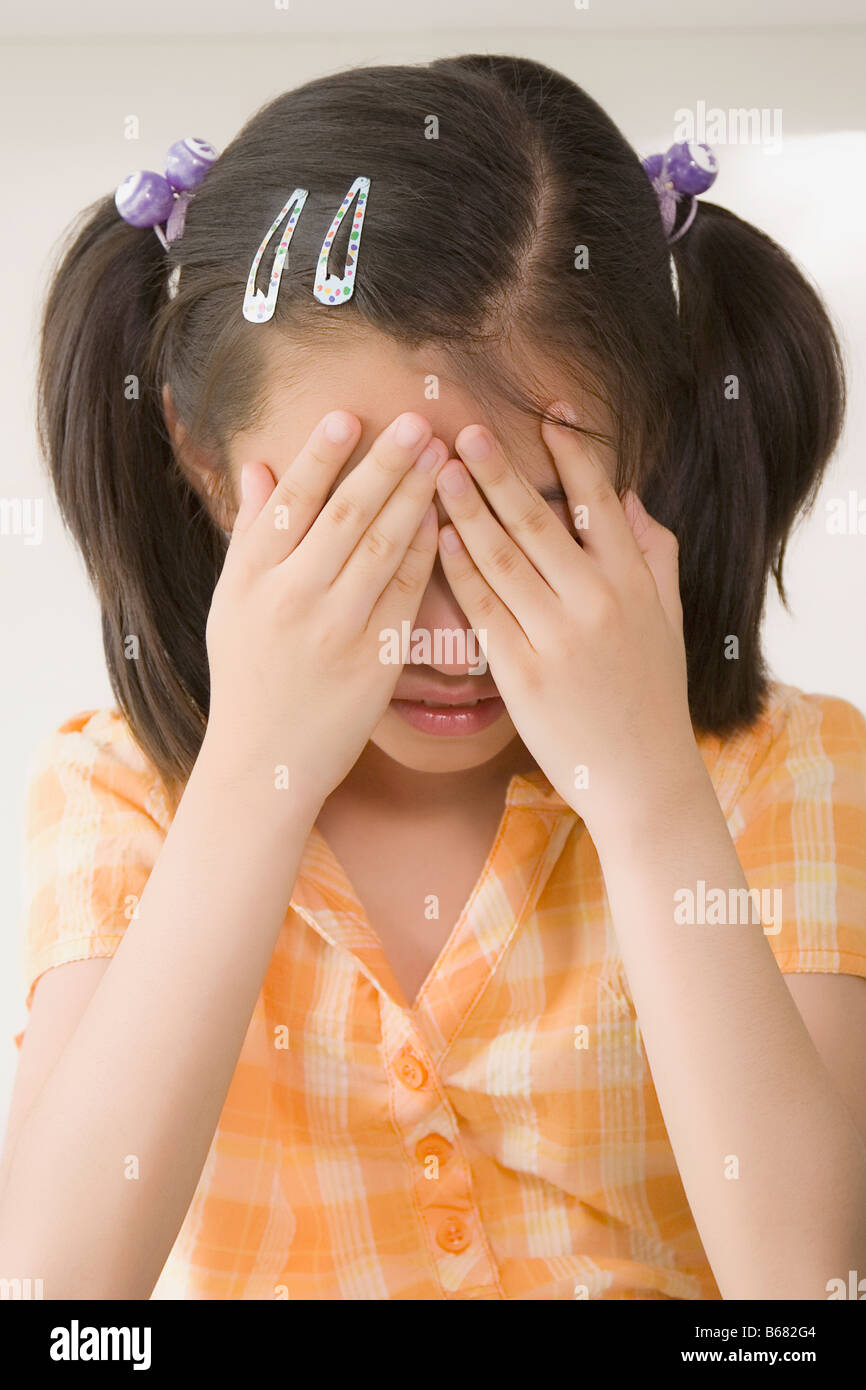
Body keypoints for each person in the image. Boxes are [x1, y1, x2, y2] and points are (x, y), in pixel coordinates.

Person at [1, 53, 865, 1301]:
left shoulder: (782, 777)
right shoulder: (124, 798)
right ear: (202, 459)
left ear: (649, 451)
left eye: (526, 525)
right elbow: (58, 1308)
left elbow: (806, 1303)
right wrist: (252, 776)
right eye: (361, 527)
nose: (448, 630)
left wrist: (643, 791)